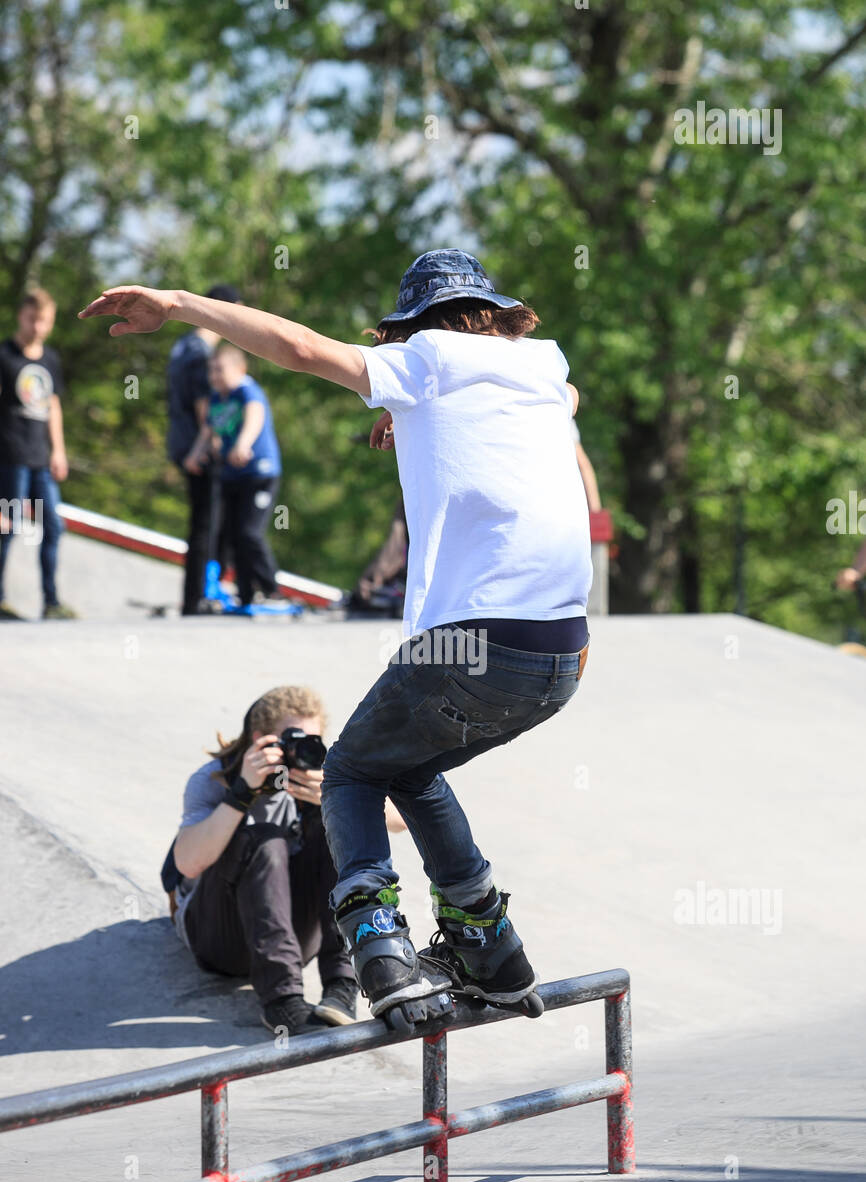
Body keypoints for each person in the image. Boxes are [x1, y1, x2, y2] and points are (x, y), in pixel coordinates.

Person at [79, 246, 592, 1037]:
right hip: (561, 656)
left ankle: (379, 947)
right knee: (410, 769)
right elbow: (570, 399)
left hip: (472, 641)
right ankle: (489, 946)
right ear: (493, 316)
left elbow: (300, 348)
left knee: (350, 768)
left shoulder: (423, 358)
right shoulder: (541, 376)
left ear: (412, 328)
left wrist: (180, 302)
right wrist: (417, 415)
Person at [165, 684, 408, 1035]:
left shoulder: (325, 773)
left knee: (338, 827)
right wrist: (241, 795)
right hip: (220, 940)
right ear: (259, 739)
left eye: (310, 741)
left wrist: (333, 797)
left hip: (295, 935)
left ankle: (341, 985)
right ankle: (282, 1001)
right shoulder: (217, 777)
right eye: (289, 740)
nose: (299, 752)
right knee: (265, 838)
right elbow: (187, 863)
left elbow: (400, 822)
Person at [185, 343, 281, 608]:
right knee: (231, 535)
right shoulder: (217, 398)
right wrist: (195, 454)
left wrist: (243, 443)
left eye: (220, 370)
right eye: (211, 371)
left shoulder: (248, 391)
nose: (214, 376)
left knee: (250, 532)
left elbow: (254, 417)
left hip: (259, 472)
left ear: (240, 368)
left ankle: (271, 589)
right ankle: (247, 593)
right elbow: (208, 430)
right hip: (232, 475)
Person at [165, 284, 242, 614]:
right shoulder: (201, 355)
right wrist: (211, 446)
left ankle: (194, 596)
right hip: (199, 448)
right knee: (208, 524)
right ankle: (198, 598)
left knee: (201, 522)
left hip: (178, 441)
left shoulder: (181, 346)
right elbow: (203, 408)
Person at [0, 287, 76, 621]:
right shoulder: (5, 355)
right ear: (21, 316)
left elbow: (53, 405)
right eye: (32, 319)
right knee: (6, 526)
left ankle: (51, 601)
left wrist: (58, 450)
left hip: (41, 459)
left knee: (53, 526)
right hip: (10, 457)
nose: (37, 328)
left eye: (44, 321)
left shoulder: (50, 359)